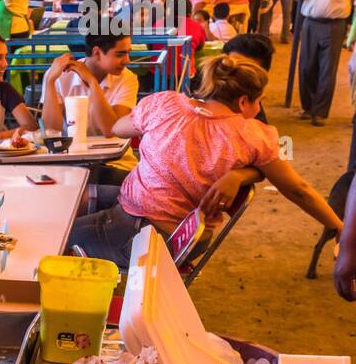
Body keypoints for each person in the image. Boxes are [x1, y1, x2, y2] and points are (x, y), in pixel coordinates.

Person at [68, 55, 343, 269]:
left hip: (145, 235)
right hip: (173, 230)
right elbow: (298, 189)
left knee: (53, 234)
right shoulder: (253, 136)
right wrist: (338, 225)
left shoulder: (167, 105)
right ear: (245, 101)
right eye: (260, 102)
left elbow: (117, 128)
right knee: (72, 200)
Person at [290, 0, 356, 124]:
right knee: (306, 67)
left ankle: (320, 112)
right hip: (310, 23)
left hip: (336, 25)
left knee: (327, 70)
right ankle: (308, 107)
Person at [41, 29, 138, 137]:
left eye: (128, 53)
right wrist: (50, 81)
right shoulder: (60, 76)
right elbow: (51, 130)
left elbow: (112, 131)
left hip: (114, 152)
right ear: (96, 52)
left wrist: (92, 83)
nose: (127, 61)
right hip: (70, 150)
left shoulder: (127, 78)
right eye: (120, 54)